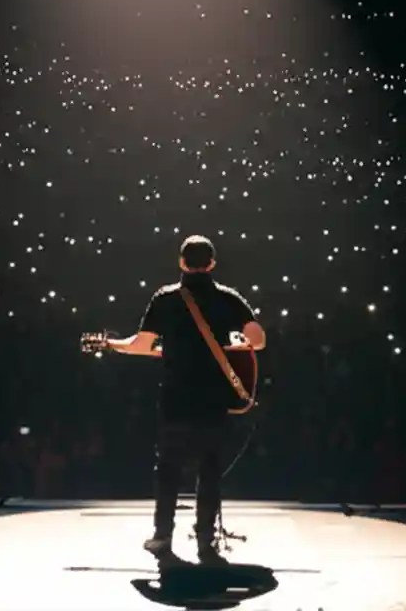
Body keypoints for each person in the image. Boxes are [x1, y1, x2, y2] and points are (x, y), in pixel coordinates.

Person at [105, 235, 267, 565]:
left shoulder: (165, 299)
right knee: (209, 470)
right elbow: (258, 340)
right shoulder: (228, 298)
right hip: (213, 398)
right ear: (212, 264)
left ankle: (162, 536)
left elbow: (142, 346)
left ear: (181, 262)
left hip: (177, 397)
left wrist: (111, 345)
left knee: (168, 468)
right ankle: (206, 542)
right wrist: (234, 341)